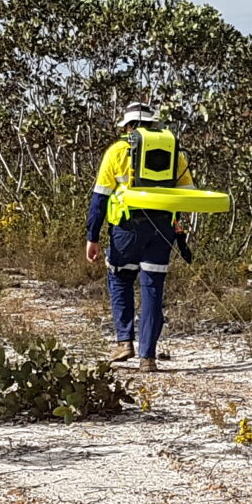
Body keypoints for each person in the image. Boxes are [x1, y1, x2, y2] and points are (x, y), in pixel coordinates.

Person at [85, 102, 197, 369]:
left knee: (120, 279)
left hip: (127, 229)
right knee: (152, 289)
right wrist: (176, 224)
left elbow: (100, 198)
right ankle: (148, 357)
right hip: (162, 229)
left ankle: (124, 341)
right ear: (153, 125)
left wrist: (93, 236)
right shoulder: (174, 153)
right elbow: (188, 192)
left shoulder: (117, 151)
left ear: (128, 125)